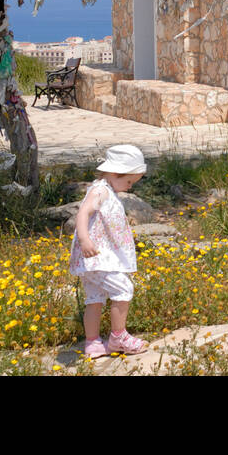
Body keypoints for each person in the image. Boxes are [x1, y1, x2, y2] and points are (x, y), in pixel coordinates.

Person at [70, 144, 148, 357]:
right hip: (98, 257)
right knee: (123, 289)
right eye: (129, 181)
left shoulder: (105, 189)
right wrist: (85, 239)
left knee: (95, 299)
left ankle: (93, 343)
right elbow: (83, 214)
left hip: (93, 259)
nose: (130, 186)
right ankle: (118, 337)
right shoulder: (101, 190)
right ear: (114, 173)